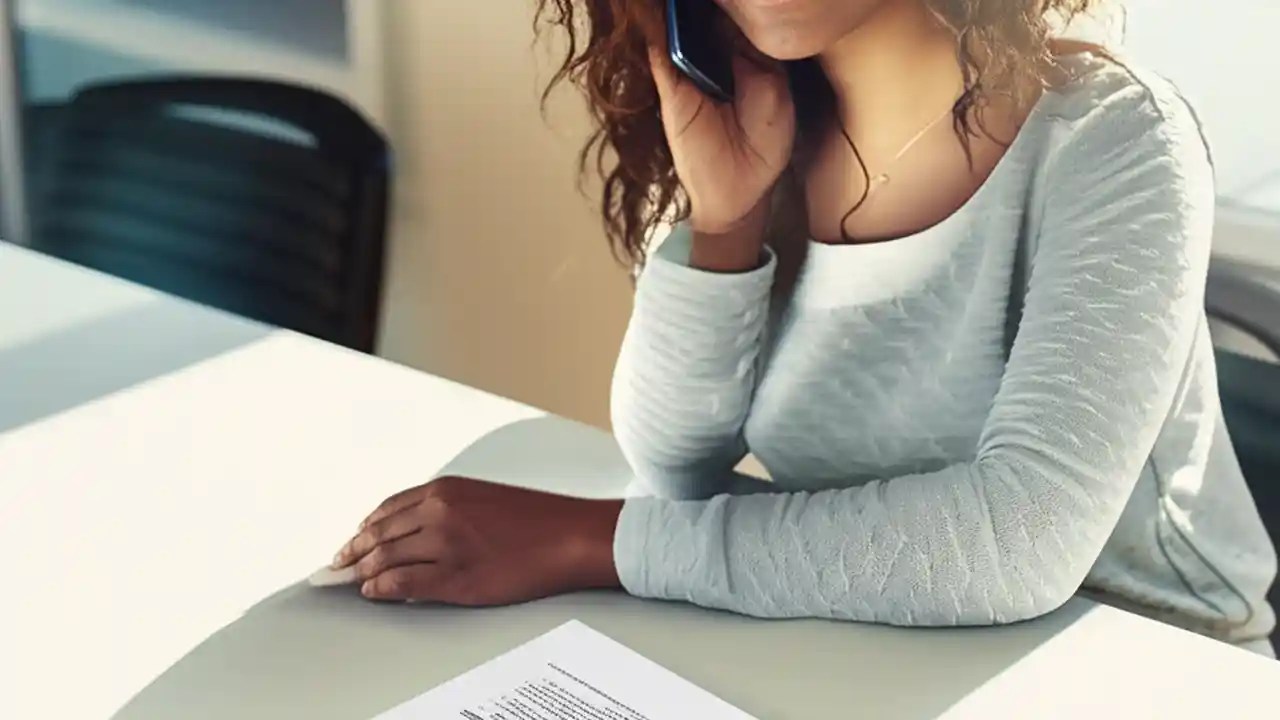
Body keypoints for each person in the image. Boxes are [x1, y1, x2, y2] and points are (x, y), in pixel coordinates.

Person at [330, 0, 1278, 655]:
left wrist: (592, 541)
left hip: (1149, 661)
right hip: (873, 649)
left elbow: (1021, 544)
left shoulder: (1116, 136)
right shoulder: (759, 121)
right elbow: (675, 466)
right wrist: (726, 225)